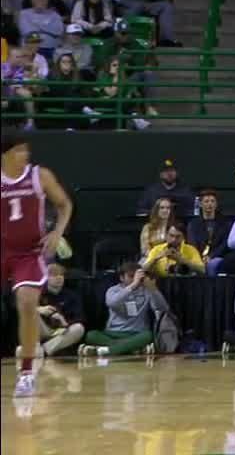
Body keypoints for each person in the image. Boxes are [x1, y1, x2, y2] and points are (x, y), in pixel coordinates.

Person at [1, 131, 73, 397]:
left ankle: (27, 373)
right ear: (6, 154)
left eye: (26, 150)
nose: (26, 155)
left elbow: (65, 205)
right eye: (19, 150)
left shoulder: (39, 175)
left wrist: (57, 232)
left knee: (28, 302)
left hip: (28, 252)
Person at [80, 263, 167, 358]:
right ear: (122, 278)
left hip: (136, 333)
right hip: (113, 332)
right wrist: (133, 285)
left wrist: (153, 289)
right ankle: (132, 348)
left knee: (148, 335)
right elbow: (112, 303)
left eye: (137, 276)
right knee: (91, 335)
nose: (135, 279)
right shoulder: (113, 290)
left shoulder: (147, 291)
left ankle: (108, 350)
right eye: (131, 276)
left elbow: (162, 308)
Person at [36, 263, 85, 356]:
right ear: (46, 278)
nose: (59, 278)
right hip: (44, 330)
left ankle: (44, 350)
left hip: (62, 332)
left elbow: (80, 317)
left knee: (79, 328)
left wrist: (64, 322)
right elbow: (20, 307)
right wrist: (39, 309)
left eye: (61, 275)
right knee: (31, 312)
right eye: (54, 275)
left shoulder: (71, 295)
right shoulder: (38, 293)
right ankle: (38, 347)